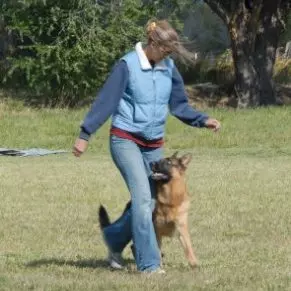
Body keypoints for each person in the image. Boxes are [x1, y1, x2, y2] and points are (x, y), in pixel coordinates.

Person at [73, 20, 221, 274]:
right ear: (153, 43)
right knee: (143, 199)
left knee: (150, 202)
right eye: (165, 50)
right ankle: (150, 265)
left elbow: (179, 106)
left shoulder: (169, 68)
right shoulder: (127, 65)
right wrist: (86, 133)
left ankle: (114, 240)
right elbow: (106, 100)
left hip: (153, 144)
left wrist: (201, 119)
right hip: (125, 139)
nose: (168, 55)